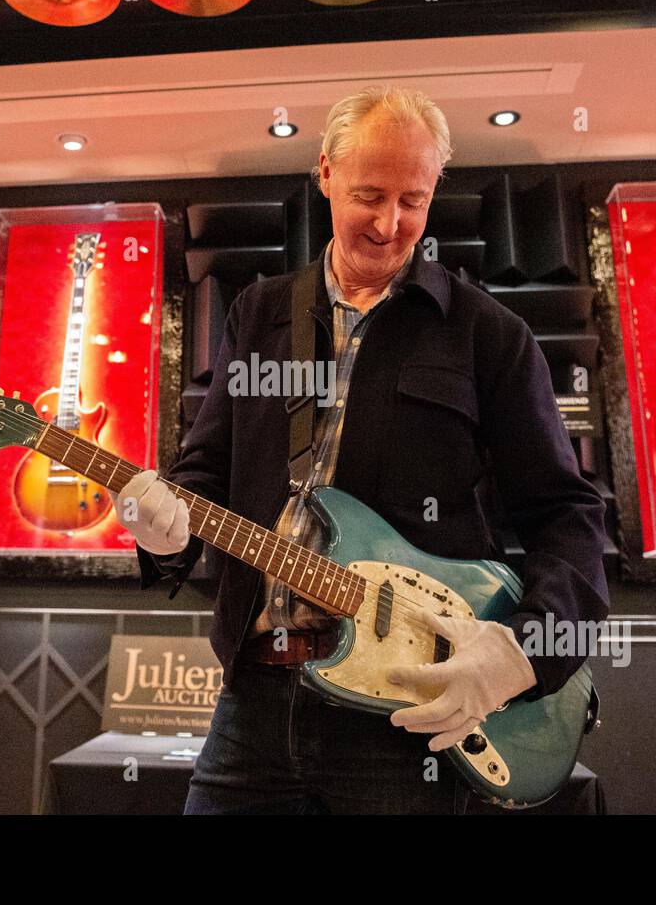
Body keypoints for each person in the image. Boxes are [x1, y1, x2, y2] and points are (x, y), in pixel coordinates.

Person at [112, 86, 609, 814]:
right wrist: (161, 534)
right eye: (370, 195)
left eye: (414, 199)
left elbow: (567, 515)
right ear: (325, 173)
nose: (389, 222)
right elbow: (204, 476)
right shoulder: (260, 313)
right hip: (254, 699)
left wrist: (521, 653)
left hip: (401, 723)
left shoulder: (488, 334)